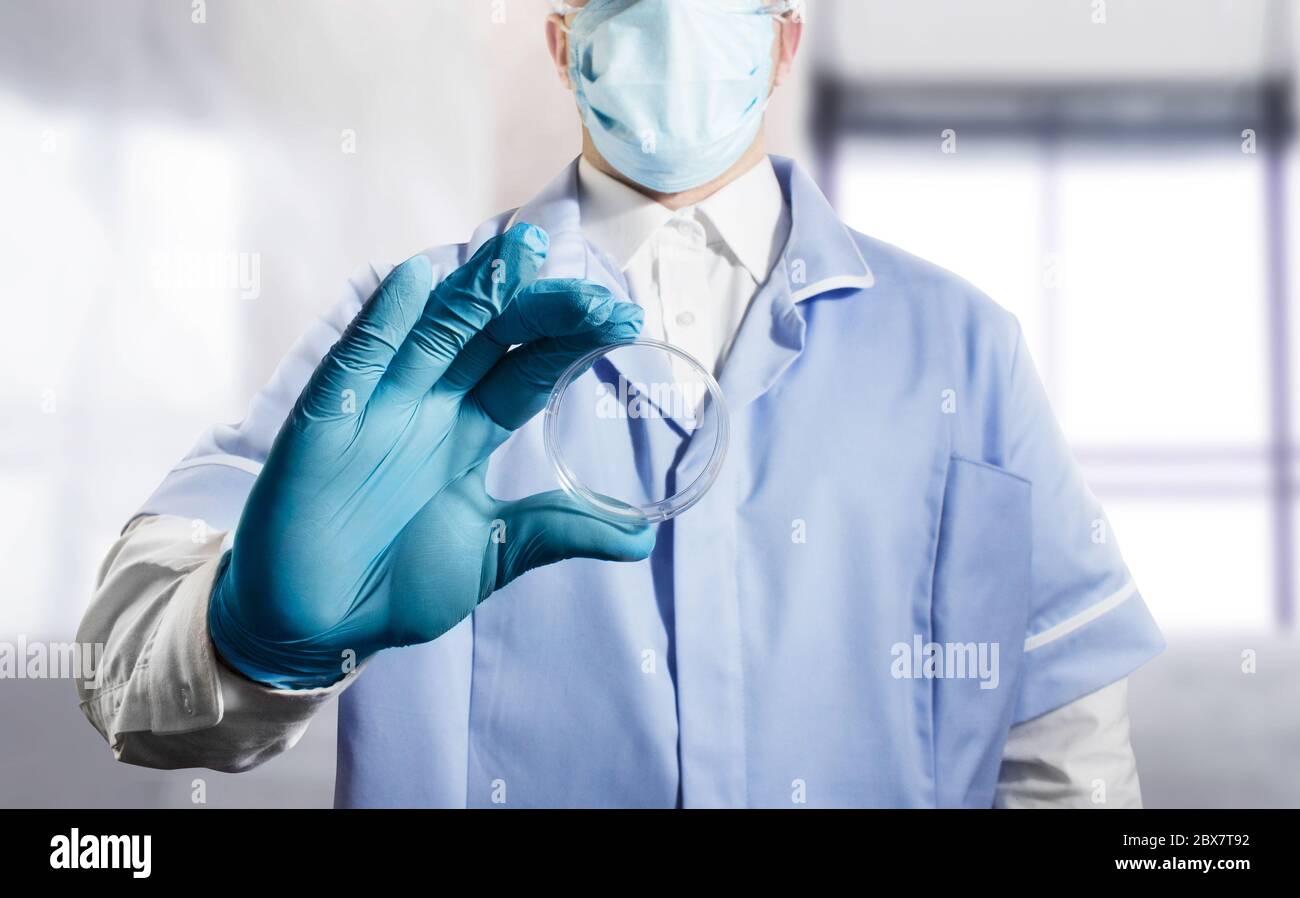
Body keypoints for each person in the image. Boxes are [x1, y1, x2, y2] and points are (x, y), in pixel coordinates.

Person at [76, 0, 1163, 808]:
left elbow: (1062, 747)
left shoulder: (962, 348)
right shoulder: (407, 327)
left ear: (781, 43)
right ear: (564, 42)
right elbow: (123, 675)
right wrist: (251, 638)